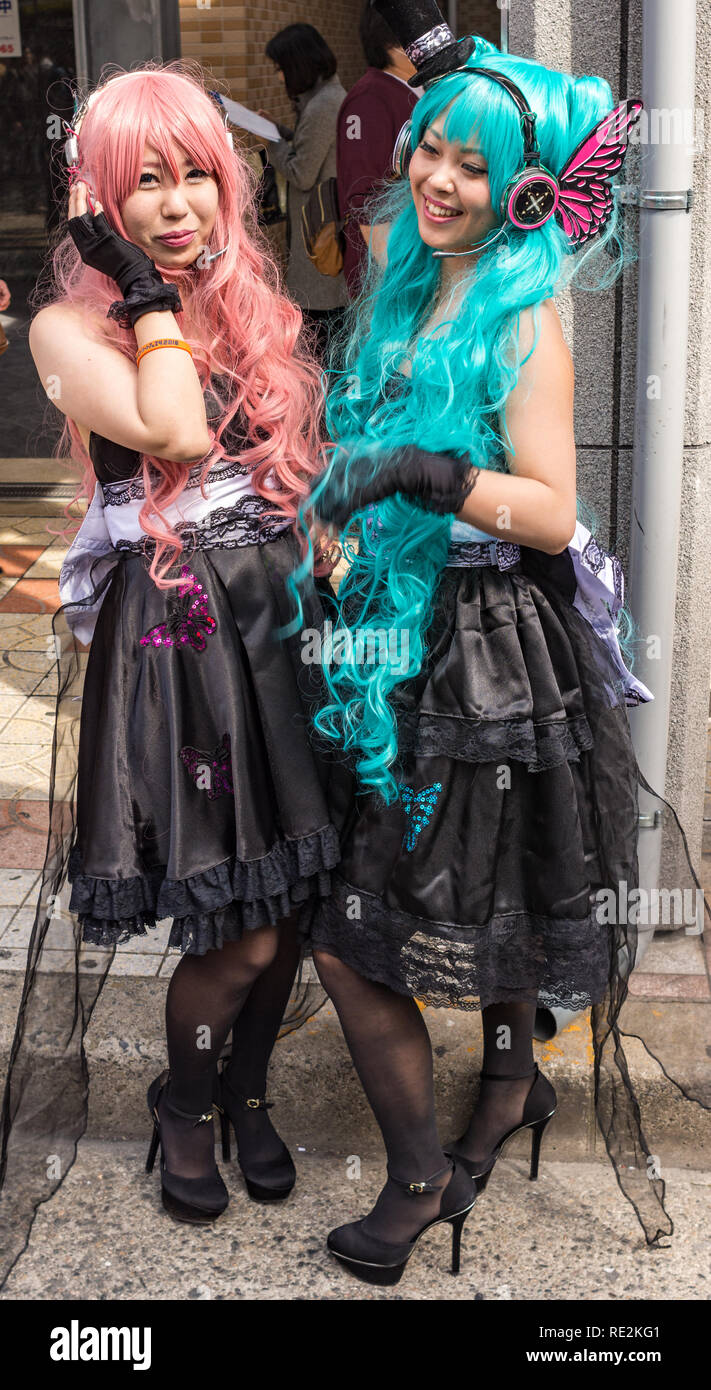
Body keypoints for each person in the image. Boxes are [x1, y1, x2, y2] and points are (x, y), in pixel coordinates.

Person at [299, 2, 711, 1285]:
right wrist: (341, 528)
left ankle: (423, 1178)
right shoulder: (415, 278)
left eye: (476, 166)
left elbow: (549, 511)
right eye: (433, 147)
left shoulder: (526, 314)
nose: (438, 179)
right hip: (399, 638)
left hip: (483, 653)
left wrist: (424, 473)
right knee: (478, 908)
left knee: (370, 931)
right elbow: (361, 466)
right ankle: (509, 1089)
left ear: (527, 189)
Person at [0, 63, 340, 1284]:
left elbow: (283, 464)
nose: (181, 202)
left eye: (197, 173)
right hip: (180, 637)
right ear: (98, 197)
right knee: (234, 921)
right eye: (146, 183)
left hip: (277, 619)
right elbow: (177, 433)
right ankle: (184, 1101)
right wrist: (144, 295)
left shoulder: (244, 302)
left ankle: (246, 1094)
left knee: (294, 902)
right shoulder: (65, 329)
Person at [260, 23, 349, 365]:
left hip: (319, 232)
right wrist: (278, 132)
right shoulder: (323, 100)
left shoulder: (324, 105)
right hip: (320, 225)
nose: (280, 78)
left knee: (320, 342)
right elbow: (308, 149)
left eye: (281, 68)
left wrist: (271, 141)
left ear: (299, 64)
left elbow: (301, 172)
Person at [337, 0, 419, 297]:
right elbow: (365, 199)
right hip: (387, 278)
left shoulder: (409, 89)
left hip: (410, 264)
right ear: (392, 42)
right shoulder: (370, 97)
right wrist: (400, 275)